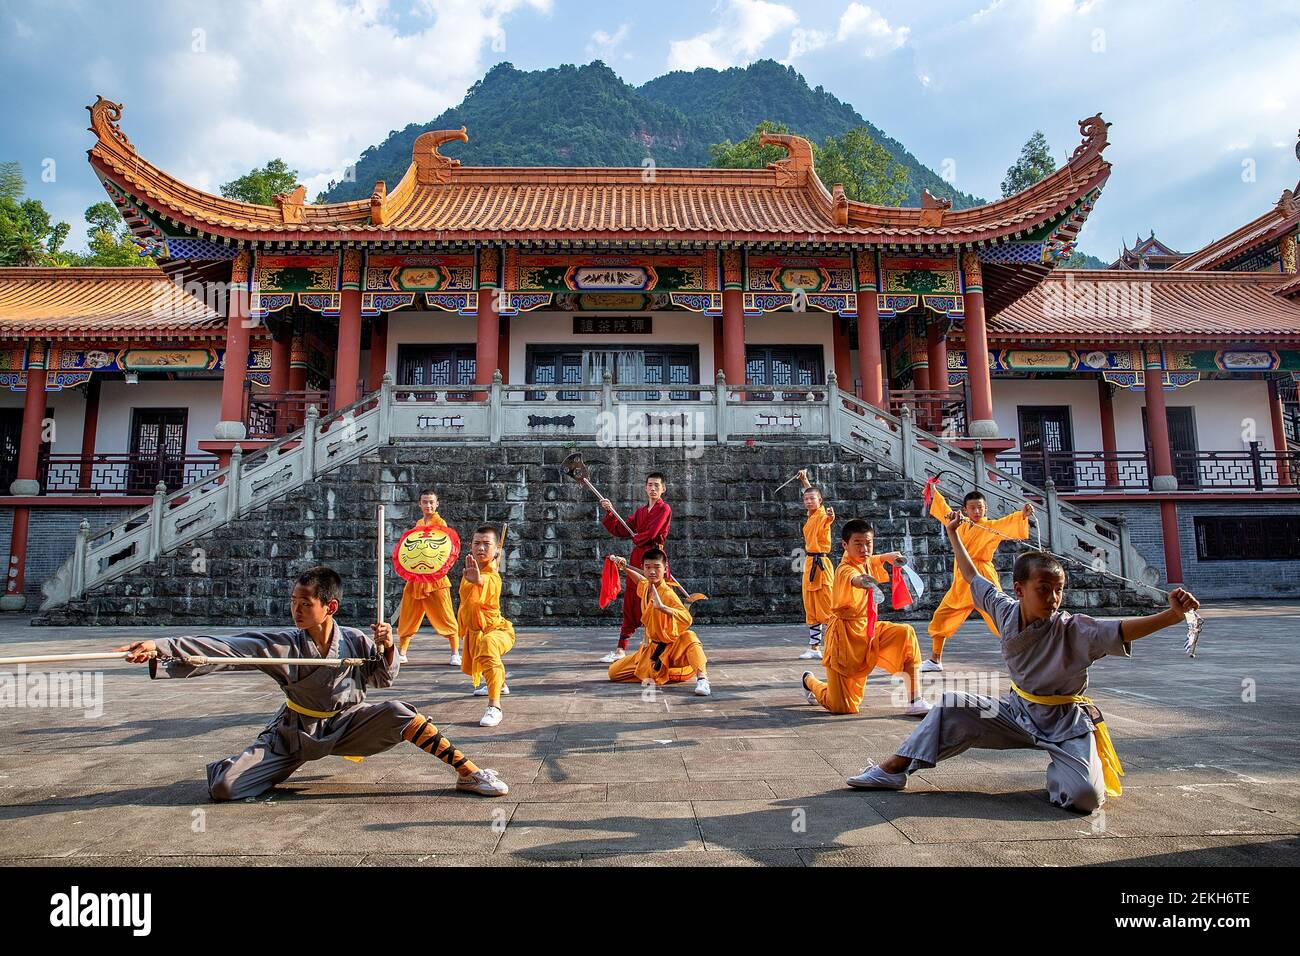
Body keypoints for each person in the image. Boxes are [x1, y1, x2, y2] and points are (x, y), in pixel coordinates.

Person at [846, 509, 1201, 813]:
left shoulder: (1074, 628)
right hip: (1017, 713)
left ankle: (1064, 770)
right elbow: (972, 576)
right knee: (951, 705)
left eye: (1058, 589)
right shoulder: (1004, 610)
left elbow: (1122, 630)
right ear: (1019, 590)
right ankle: (894, 768)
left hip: (1065, 722)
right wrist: (954, 533)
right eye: (1043, 589)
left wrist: (1170, 616)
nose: (1053, 597)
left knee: (1085, 798)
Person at [114, 565, 508, 800]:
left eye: (306, 603)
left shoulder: (355, 639)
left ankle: (468, 772)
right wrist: (160, 647)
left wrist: (388, 648)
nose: (297, 610)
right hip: (295, 731)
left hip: (349, 724)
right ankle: (242, 765)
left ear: (329, 607)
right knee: (226, 790)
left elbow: (383, 679)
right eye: (293, 602)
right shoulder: (284, 644)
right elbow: (225, 648)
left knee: (399, 712)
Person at [801, 518, 929, 717]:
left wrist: (887, 557)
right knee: (843, 707)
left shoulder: (865, 559)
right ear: (845, 545)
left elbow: (872, 559)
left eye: (868, 543)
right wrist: (863, 581)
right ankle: (810, 681)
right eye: (857, 544)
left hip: (868, 629)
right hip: (845, 638)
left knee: (906, 633)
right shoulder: (845, 569)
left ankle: (915, 700)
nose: (864, 549)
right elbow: (853, 578)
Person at [923, 488, 1034, 672]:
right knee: (941, 617)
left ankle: (1025, 654)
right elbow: (943, 510)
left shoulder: (990, 526)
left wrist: (1022, 514)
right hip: (962, 579)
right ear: (965, 510)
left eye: (979, 508)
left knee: (1001, 616)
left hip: (983, 575)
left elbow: (1007, 523)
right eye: (972, 508)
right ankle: (935, 659)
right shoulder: (959, 523)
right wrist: (934, 492)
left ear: (985, 509)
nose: (976, 511)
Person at [606, 550, 710, 696]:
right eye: (648, 567)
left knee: (690, 637)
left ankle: (702, 679)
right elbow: (640, 581)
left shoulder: (667, 594)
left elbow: (687, 618)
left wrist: (663, 608)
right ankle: (662, 671)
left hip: (671, 648)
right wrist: (624, 567)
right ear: (643, 567)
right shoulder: (647, 586)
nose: (652, 571)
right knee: (613, 672)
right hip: (650, 650)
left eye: (656, 567)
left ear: (665, 569)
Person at [597, 471, 671, 663]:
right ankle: (621, 649)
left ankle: (659, 646)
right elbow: (621, 529)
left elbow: (653, 533)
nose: (653, 488)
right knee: (631, 600)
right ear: (645, 488)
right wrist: (610, 512)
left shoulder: (664, 509)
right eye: (650, 485)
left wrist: (637, 538)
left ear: (663, 489)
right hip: (638, 557)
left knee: (657, 601)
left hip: (654, 559)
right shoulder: (640, 512)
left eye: (657, 485)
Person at [394, 488, 460, 666]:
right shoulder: (417, 524)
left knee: (445, 615)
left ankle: (455, 652)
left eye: (431, 502)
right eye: (425, 502)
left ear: (437, 504)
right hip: (415, 579)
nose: (428, 505)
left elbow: (445, 550)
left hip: (435, 580)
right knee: (408, 616)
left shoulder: (441, 524)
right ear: (419, 503)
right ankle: (402, 651)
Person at [458, 525, 516, 727]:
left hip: (497, 631)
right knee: (484, 654)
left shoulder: (492, 576)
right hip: (476, 631)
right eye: (477, 544)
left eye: (486, 544)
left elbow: (488, 584)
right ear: (470, 546)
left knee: (488, 646)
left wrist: (478, 580)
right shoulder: (470, 571)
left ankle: (494, 706)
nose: (481, 548)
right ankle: (499, 684)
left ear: (497, 549)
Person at [796, 469, 834, 660]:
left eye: (813, 499)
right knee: (810, 606)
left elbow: (827, 518)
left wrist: (830, 516)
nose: (809, 501)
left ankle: (833, 644)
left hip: (822, 563)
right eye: (806, 499)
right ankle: (814, 646)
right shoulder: (811, 517)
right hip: (810, 563)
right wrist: (804, 480)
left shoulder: (821, 516)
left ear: (820, 501)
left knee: (827, 605)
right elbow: (811, 492)